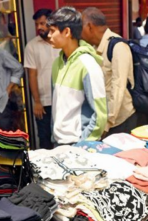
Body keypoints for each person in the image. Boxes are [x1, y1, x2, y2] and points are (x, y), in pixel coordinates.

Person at [49, 7, 107, 144]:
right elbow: (57, 105)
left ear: (67, 32)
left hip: (77, 144)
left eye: (52, 31)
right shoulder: (57, 63)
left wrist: (82, 144)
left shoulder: (87, 64)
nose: (49, 36)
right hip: (58, 142)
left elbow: (100, 114)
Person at [81, 7, 138, 134]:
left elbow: (118, 88)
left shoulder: (118, 47)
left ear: (90, 27)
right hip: (104, 120)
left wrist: (107, 123)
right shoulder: (94, 48)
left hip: (120, 121)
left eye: (81, 27)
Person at [23, 9, 60, 149]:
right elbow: (32, 75)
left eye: (42, 23)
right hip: (43, 104)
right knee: (44, 139)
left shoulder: (61, 42)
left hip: (62, 100)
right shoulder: (32, 46)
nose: (39, 27)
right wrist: (37, 101)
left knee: (61, 137)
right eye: (37, 24)